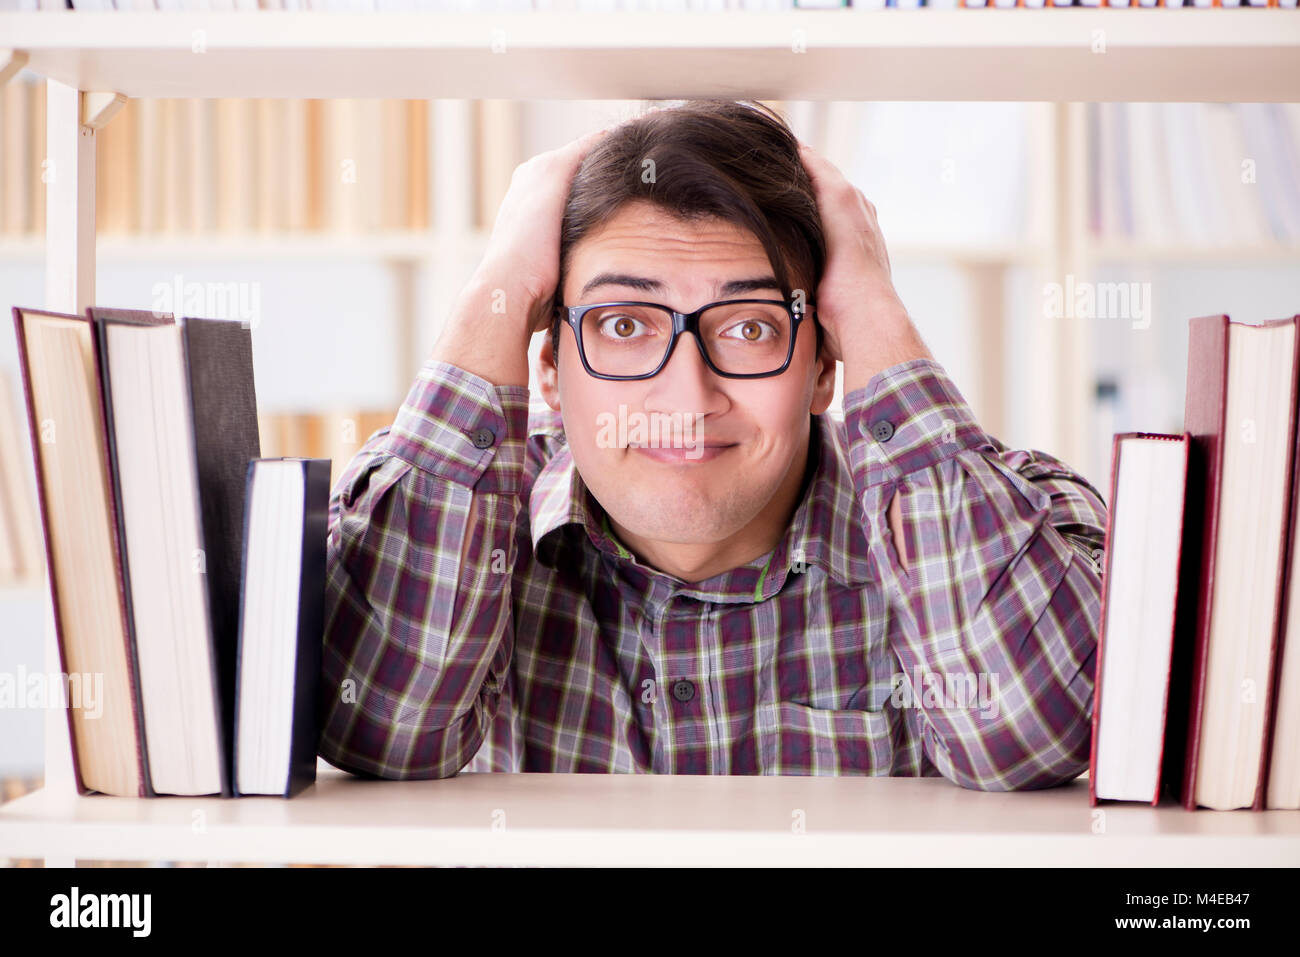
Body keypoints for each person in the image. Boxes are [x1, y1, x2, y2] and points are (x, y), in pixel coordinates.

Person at [318, 99, 1107, 789]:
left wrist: (870, 300)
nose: (689, 396)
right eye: (624, 325)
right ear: (550, 370)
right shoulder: (449, 528)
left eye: (751, 326)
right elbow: (382, 729)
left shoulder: (1028, 522)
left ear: (826, 365)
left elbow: (1029, 737)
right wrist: (493, 294)